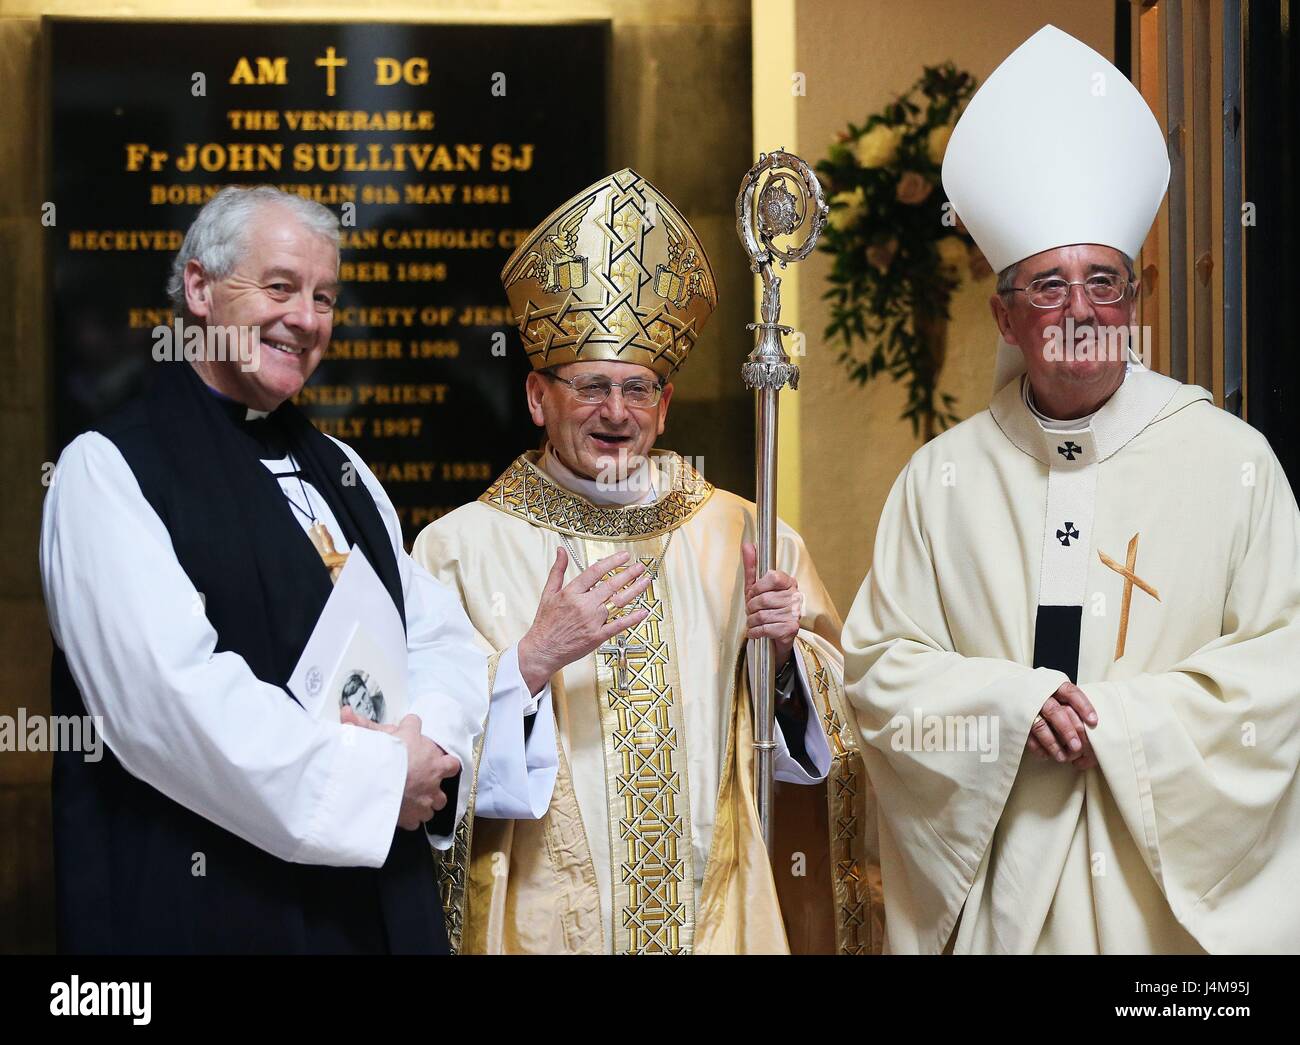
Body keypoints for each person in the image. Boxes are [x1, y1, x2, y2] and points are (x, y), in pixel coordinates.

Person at [843, 25, 1300, 953]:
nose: (1082, 309)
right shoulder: (943, 480)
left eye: (1105, 281)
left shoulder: (1233, 462)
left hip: (1162, 921)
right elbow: (880, 670)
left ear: (1134, 300)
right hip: (1008, 884)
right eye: (1048, 286)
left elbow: (1281, 671)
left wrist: (1123, 727)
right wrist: (1009, 708)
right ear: (1003, 313)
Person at [414, 168, 881, 954]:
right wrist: (529, 662)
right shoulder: (457, 549)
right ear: (537, 397)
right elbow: (422, 770)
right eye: (591, 385)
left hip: (720, 923)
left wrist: (782, 664)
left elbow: (828, 755)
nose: (616, 413)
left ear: (665, 405)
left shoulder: (746, 534)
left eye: (638, 389)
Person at [40, 185, 488, 954]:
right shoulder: (108, 470)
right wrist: (378, 780)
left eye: (324, 297)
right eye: (279, 286)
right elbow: (171, 704)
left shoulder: (341, 468)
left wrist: (430, 745)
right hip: (207, 910)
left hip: (374, 906)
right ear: (200, 288)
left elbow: (438, 635)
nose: (307, 318)